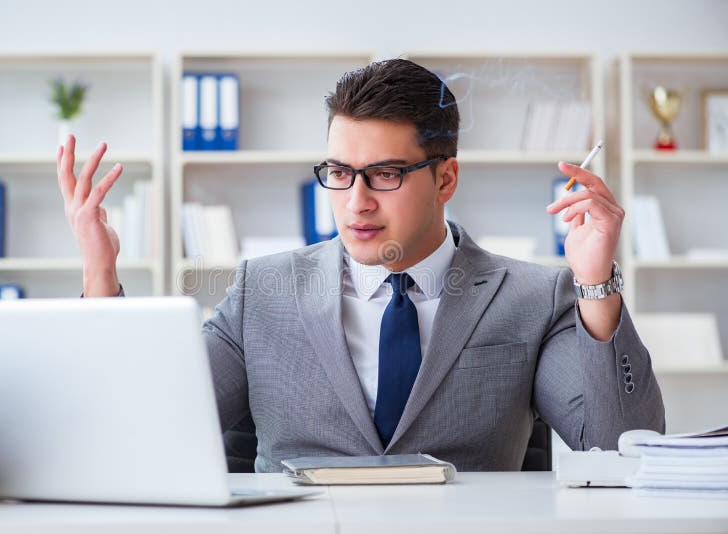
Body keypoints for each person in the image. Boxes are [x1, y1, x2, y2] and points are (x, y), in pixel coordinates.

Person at [56, 59, 664, 472]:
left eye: (385, 174)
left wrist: (595, 283)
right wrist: (99, 278)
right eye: (340, 173)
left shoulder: (532, 296)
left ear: (445, 178)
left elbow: (622, 447)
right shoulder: (262, 290)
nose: (356, 202)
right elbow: (146, 429)